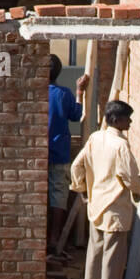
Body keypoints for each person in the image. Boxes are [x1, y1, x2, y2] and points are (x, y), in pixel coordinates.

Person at [71, 99, 140, 279]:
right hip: (116, 211)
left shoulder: (95, 138)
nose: (130, 122)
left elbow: (76, 166)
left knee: (95, 256)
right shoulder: (121, 145)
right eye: (127, 118)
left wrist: (81, 188)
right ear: (116, 120)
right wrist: (138, 191)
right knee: (113, 260)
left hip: (96, 208)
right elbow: (130, 176)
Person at [47, 54, 90, 252]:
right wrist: (80, 91)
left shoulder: (33, 92)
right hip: (59, 152)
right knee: (58, 196)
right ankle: (54, 239)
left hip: (35, 155)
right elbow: (75, 116)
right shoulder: (63, 94)